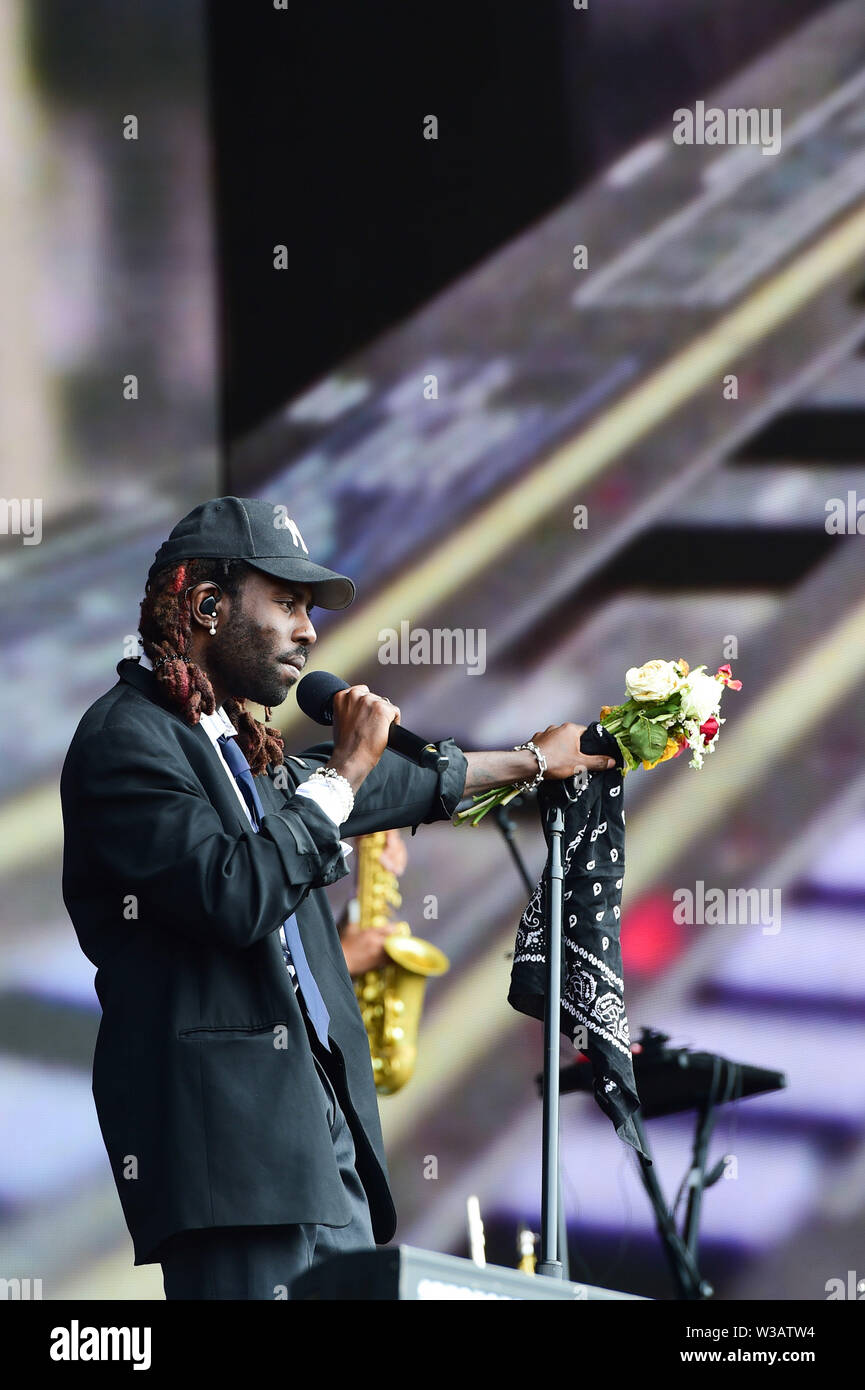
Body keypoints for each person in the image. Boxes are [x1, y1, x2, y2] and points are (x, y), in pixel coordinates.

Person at [59, 496, 617, 1300]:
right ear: (208, 606)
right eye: (285, 603)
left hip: (320, 1152)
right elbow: (233, 889)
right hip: (238, 1165)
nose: (308, 630)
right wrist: (343, 771)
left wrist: (530, 760)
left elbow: (384, 785)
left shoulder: (231, 748)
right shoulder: (127, 740)